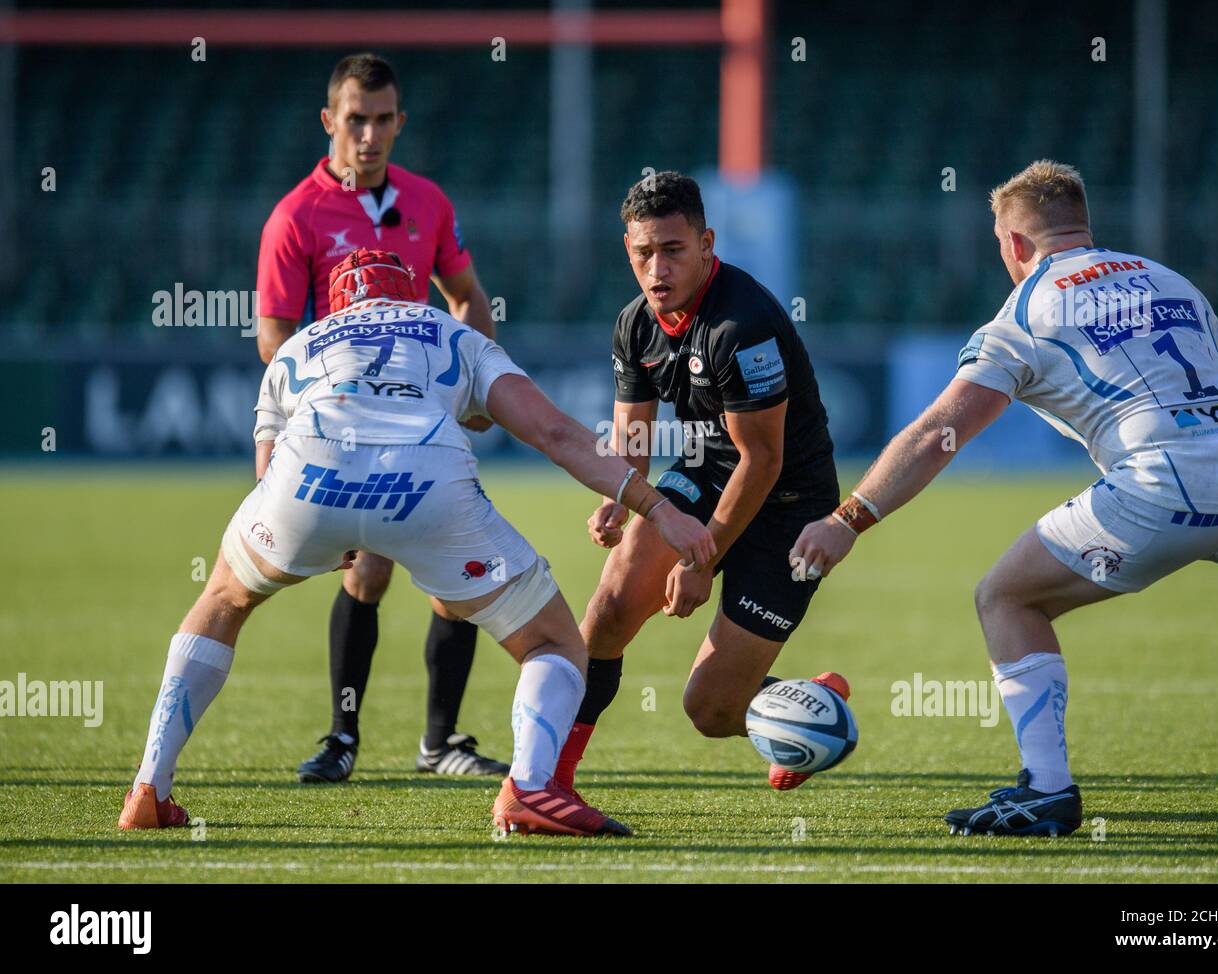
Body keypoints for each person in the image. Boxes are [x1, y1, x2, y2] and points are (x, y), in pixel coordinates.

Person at [118, 248, 715, 837]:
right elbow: (554, 432)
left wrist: (333, 533)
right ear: (412, 294)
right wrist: (655, 507)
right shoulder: (451, 334)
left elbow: (266, 471)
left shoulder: (299, 346)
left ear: (336, 301)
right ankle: (529, 789)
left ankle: (150, 785)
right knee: (554, 642)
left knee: (222, 600)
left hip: (305, 481)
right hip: (426, 486)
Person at [790, 160, 1218, 836]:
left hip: (1163, 479)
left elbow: (942, 431)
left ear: (1013, 244)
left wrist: (848, 518)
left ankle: (1047, 790)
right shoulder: (1169, 280)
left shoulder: (1028, 308)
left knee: (1007, 596)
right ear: (1084, 224)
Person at [553, 171, 848, 801]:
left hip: (788, 510)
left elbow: (763, 462)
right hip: (704, 473)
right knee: (604, 616)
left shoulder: (744, 325)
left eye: (673, 250)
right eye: (643, 253)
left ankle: (808, 707)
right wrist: (616, 497)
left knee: (710, 712)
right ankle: (552, 781)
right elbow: (633, 437)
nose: (657, 268)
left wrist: (701, 560)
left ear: (707, 243)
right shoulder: (636, 324)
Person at [255, 52, 504, 782]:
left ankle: (440, 743)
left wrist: (481, 377)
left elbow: (466, 296)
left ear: (400, 122)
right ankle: (342, 737)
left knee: (455, 577)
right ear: (330, 121)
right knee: (365, 575)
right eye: (354, 119)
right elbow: (274, 336)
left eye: (381, 119)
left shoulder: (427, 201)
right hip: (344, 427)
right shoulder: (295, 216)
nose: (368, 134)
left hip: (423, 417)